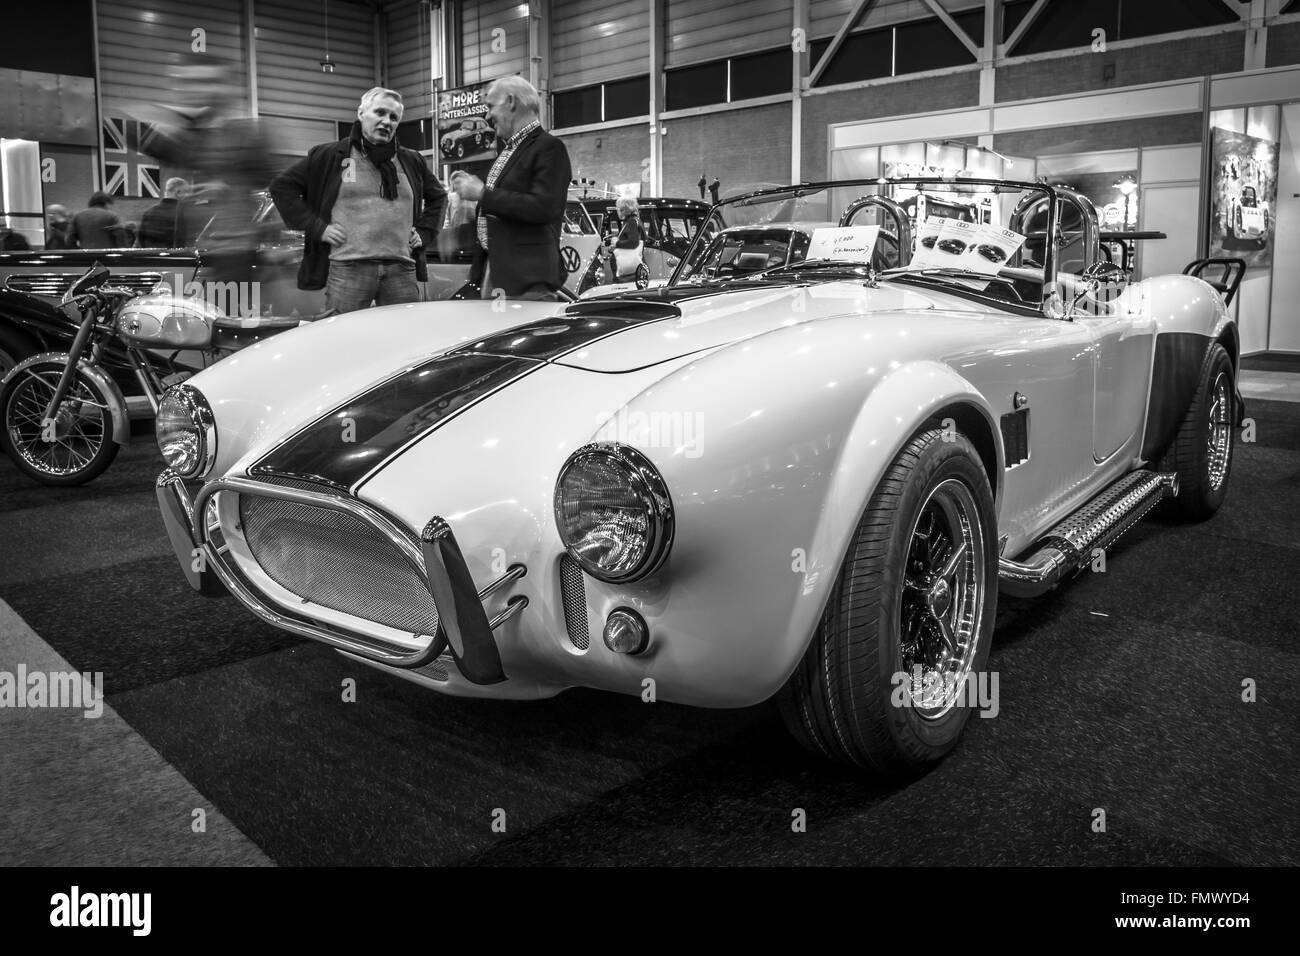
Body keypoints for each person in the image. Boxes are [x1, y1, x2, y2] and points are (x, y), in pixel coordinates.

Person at [269, 87, 447, 312]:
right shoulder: (329, 157)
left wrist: (424, 232)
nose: (387, 121)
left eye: (394, 117)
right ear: (361, 114)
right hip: (348, 269)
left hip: (401, 270)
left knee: (405, 339)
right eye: (380, 112)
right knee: (343, 340)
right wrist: (317, 227)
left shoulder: (411, 161)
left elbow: (439, 197)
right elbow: (282, 187)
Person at [448, 76, 572, 300]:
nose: (487, 116)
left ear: (511, 101)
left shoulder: (549, 148)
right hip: (497, 272)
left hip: (526, 279)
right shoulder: (509, 151)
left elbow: (544, 207)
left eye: (490, 106)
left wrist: (482, 194)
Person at [137, 177, 193, 248]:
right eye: (186, 192)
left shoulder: (149, 212)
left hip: (152, 256)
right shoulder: (183, 213)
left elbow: (141, 238)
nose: (187, 195)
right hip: (174, 256)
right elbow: (183, 240)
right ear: (178, 192)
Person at [606, 196, 644, 281]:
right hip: (628, 271)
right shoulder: (632, 221)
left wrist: (617, 243)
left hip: (626, 272)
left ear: (624, 209)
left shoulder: (631, 222)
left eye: (618, 208)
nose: (617, 211)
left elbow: (633, 242)